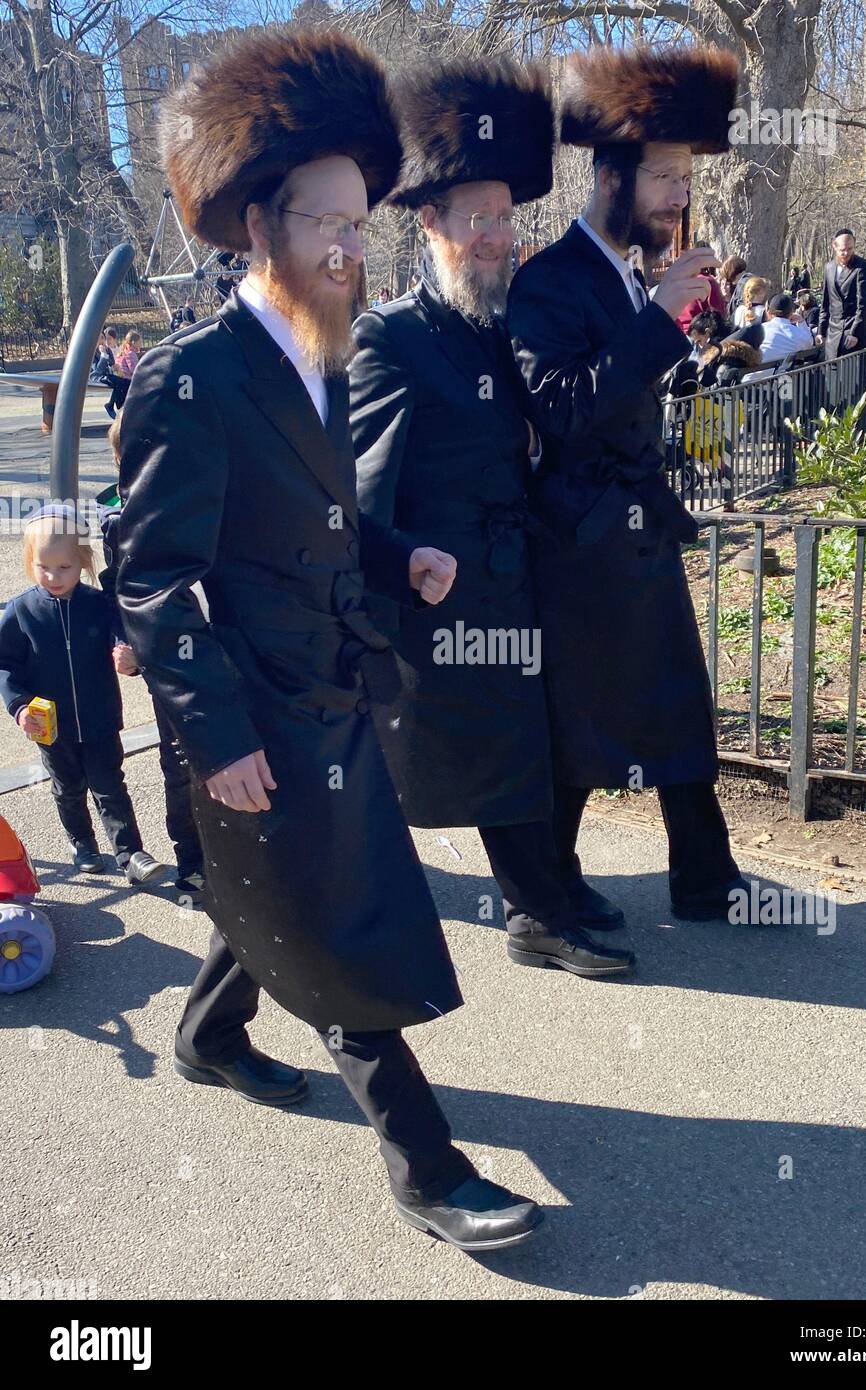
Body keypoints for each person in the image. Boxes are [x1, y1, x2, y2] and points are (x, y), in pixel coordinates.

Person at [116, 27, 542, 1250]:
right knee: (335, 922)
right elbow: (155, 580)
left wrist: (393, 548)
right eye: (327, 225)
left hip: (337, 688)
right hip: (256, 717)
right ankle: (429, 1165)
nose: (353, 249)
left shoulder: (323, 352)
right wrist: (216, 735)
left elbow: (321, 515)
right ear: (259, 223)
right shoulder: (193, 379)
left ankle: (206, 1035)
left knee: (275, 907)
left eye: (365, 225)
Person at [349, 57, 633, 980]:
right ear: (428, 223)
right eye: (478, 218)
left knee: (539, 742)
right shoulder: (388, 338)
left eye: (506, 218)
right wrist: (394, 588)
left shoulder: (500, 325)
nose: (497, 237)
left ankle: (549, 887)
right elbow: (363, 493)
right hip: (450, 593)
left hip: (524, 576)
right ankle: (534, 914)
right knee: (485, 757)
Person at [507, 43, 748, 924]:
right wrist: (654, 323)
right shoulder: (547, 280)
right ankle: (544, 895)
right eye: (664, 177)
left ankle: (703, 879)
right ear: (611, 177)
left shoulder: (627, 274)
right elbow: (564, 410)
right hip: (579, 546)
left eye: (686, 178)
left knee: (673, 705)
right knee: (584, 724)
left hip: (636, 531)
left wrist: (666, 321)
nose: (680, 196)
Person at [0, 506, 164, 885]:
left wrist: (130, 658)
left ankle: (130, 852)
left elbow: (123, 638)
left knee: (110, 786)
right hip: (50, 727)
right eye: (44, 567)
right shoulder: (22, 611)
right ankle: (83, 843)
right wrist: (20, 706)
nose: (54, 577)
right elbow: (6, 665)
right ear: (30, 563)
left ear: (82, 563)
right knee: (68, 788)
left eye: (65, 567)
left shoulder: (98, 605)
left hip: (100, 718)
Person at [98, 413, 205, 900]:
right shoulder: (123, 520)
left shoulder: (203, 493)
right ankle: (193, 863)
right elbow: (119, 591)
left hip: (224, 644)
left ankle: (245, 856)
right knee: (180, 762)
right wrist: (131, 647)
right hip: (167, 658)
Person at [817, 228, 866, 360]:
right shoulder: (829, 268)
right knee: (832, 376)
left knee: (854, 377)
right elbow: (826, 303)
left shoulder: (863, 267)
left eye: (850, 248)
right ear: (834, 246)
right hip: (833, 333)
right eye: (843, 249)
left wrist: (855, 333)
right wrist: (821, 330)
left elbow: (864, 304)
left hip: (854, 334)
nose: (846, 253)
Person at [759, 292, 815, 363]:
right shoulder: (797, 334)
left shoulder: (759, 330)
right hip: (781, 372)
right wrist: (801, 322)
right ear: (792, 312)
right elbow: (809, 344)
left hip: (754, 372)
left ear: (769, 313)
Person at [108, 330, 142, 415]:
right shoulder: (131, 353)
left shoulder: (124, 350)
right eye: (139, 342)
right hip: (126, 379)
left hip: (120, 377)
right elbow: (134, 370)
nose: (141, 344)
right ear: (133, 342)